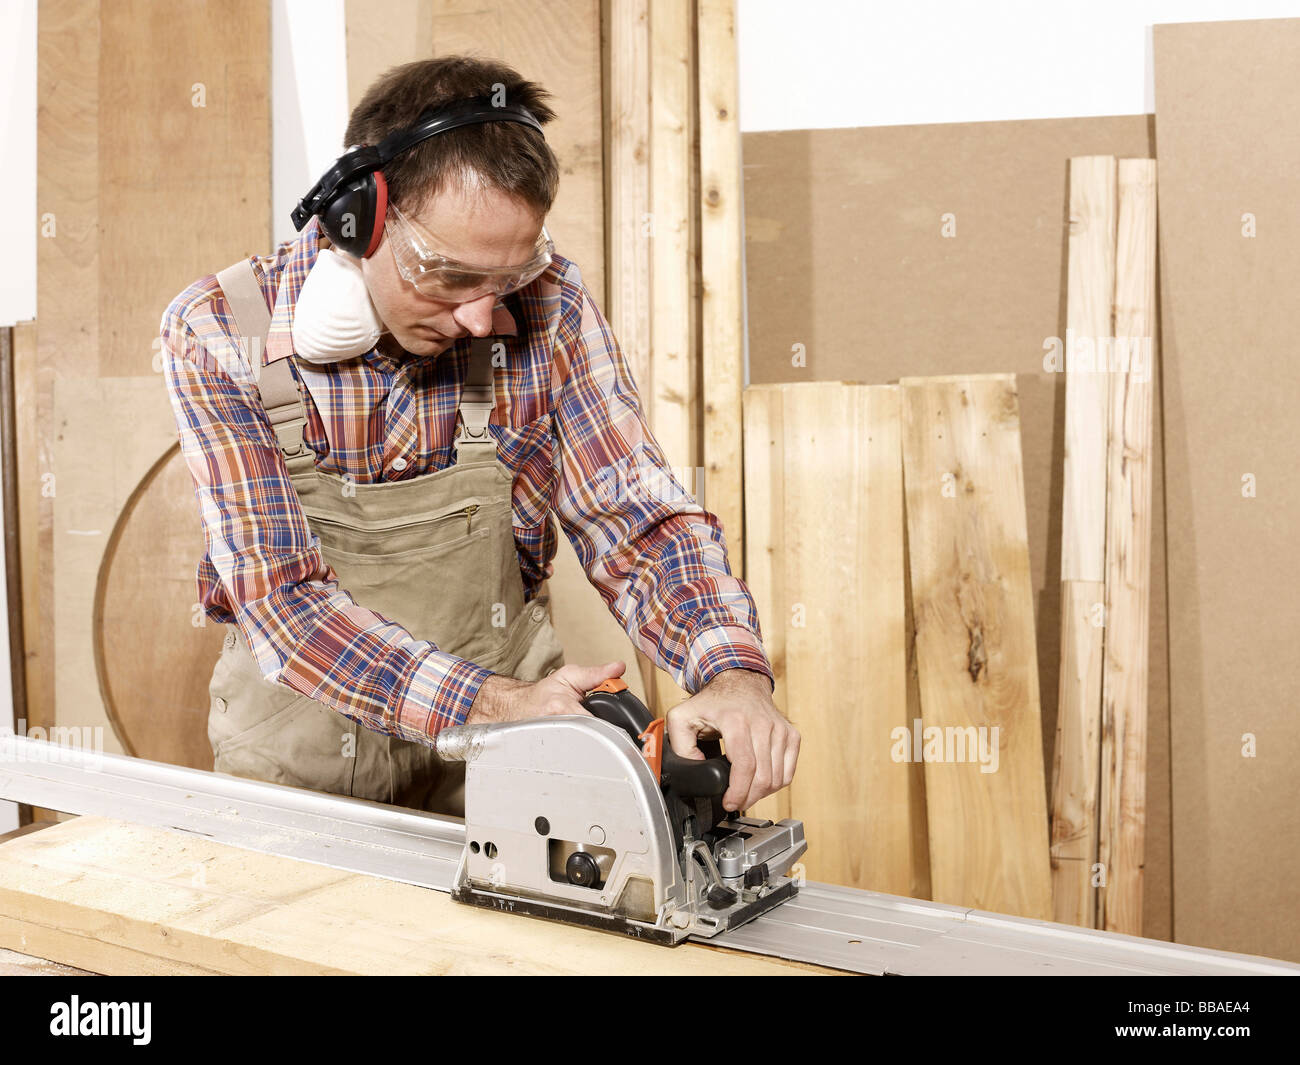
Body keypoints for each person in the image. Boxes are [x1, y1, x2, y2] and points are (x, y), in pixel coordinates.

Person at [160, 54, 798, 819]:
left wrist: (732, 675)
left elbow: (642, 525)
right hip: (303, 756)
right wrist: (494, 706)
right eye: (450, 277)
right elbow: (285, 603)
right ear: (356, 219)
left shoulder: (551, 305)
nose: (478, 318)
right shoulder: (220, 328)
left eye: (506, 281)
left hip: (515, 745)